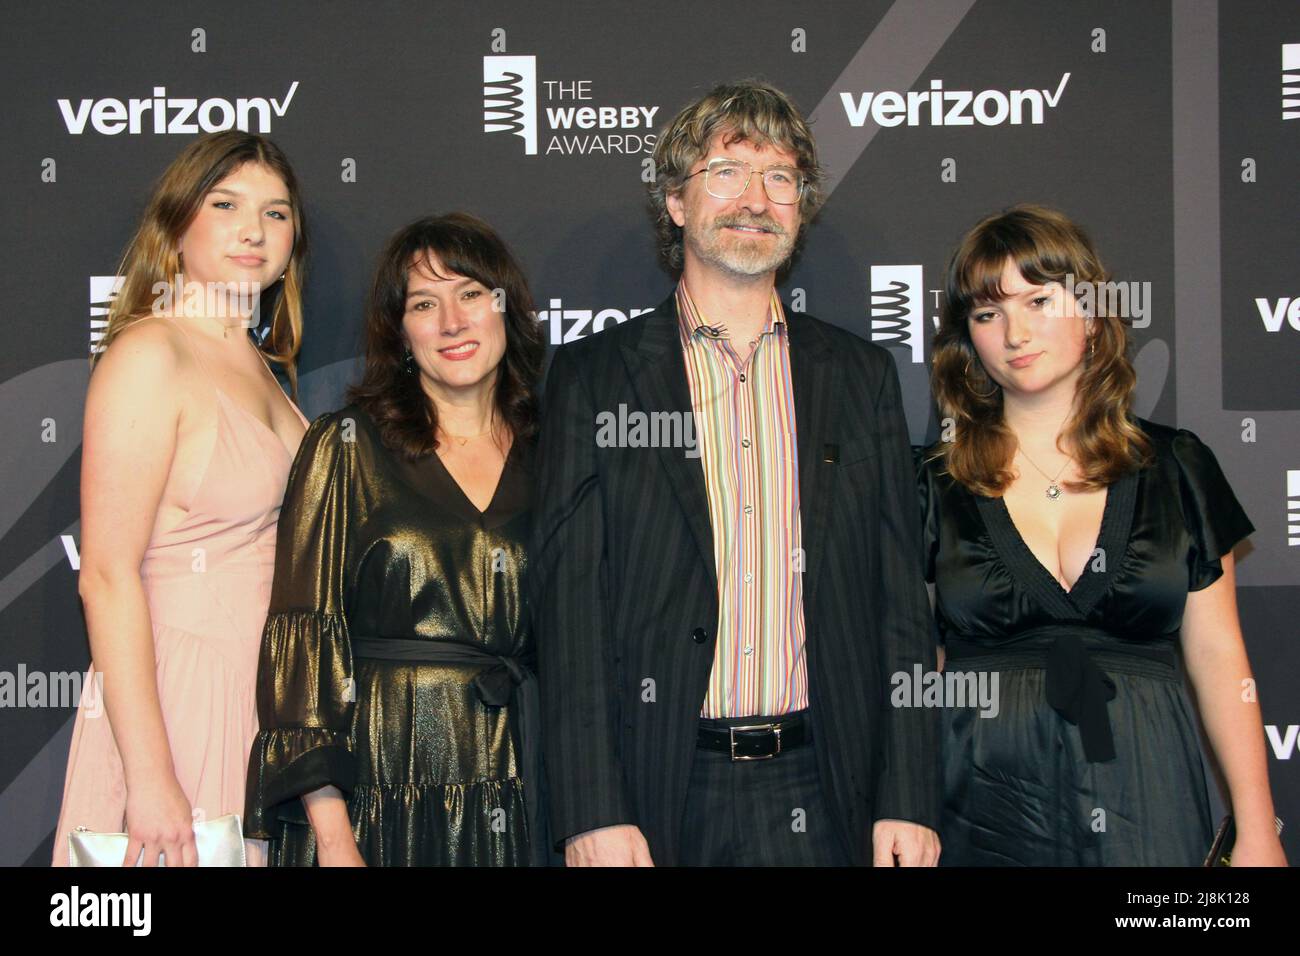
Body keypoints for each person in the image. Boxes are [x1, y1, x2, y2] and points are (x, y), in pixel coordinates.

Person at [531, 80, 941, 866]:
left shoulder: (860, 377)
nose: (756, 198)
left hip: (827, 788)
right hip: (657, 791)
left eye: (780, 177)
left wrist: (910, 793)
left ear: (800, 206)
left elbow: (900, 606)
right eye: (726, 171)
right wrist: (590, 810)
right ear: (676, 204)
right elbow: (570, 608)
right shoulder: (596, 377)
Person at [919, 203, 1288, 866]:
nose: (1014, 332)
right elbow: (913, 666)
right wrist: (901, 811)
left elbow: (1219, 659)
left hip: (1148, 796)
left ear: (1091, 315)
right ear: (966, 340)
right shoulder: (928, 482)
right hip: (974, 801)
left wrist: (1257, 828)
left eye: (1039, 301)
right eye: (987, 312)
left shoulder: (1178, 467)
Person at [244, 213, 550, 866]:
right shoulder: (346, 448)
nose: (452, 322)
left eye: (471, 294)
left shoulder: (557, 454)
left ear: (506, 309)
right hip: (379, 785)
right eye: (423, 303)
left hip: (525, 786)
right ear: (402, 333)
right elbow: (304, 639)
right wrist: (333, 837)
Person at [52, 131, 310, 867]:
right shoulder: (150, 354)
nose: (254, 230)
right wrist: (151, 778)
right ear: (177, 222)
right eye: (225, 204)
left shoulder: (265, 370)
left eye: (277, 212)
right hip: (176, 696)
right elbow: (104, 575)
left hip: (259, 698)